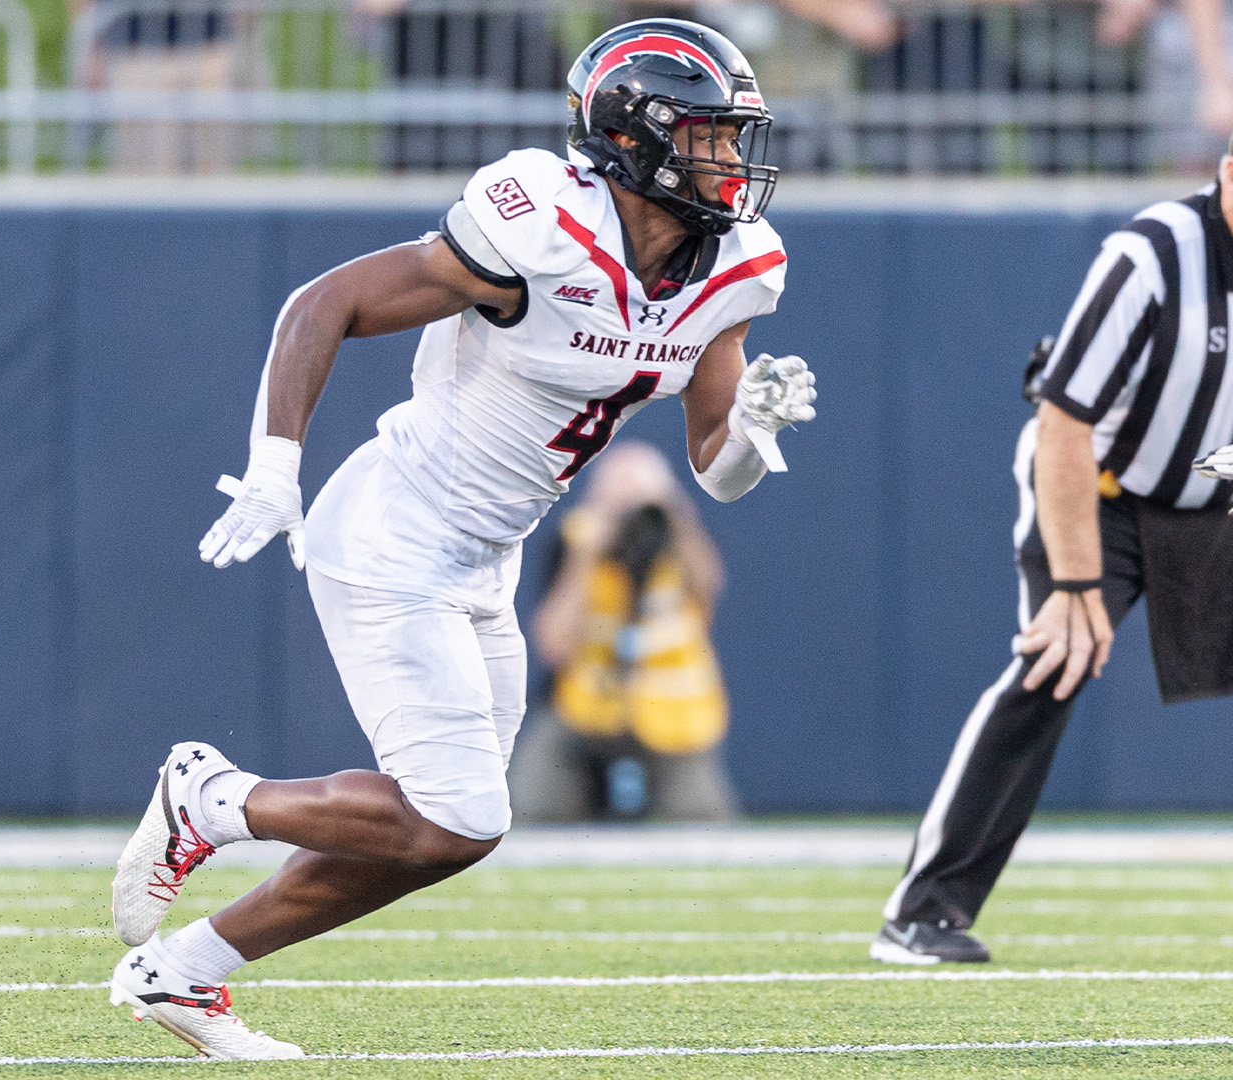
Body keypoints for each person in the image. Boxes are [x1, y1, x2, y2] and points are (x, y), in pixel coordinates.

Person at [100, 19, 815, 1059]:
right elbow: (326, 301)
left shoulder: (737, 264)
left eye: (731, 136)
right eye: (707, 135)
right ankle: (210, 798)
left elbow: (718, 466)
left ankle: (185, 973)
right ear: (634, 135)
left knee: (443, 838)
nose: (729, 161)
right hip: (398, 525)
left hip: (487, 555)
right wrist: (274, 466)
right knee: (463, 813)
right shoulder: (539, 226)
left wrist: (756, 429)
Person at [879, 95, 1233, 969]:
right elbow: (1064, 423)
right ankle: (925, 911)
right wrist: (1071, 585)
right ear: (1231, 176)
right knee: (1053, 659)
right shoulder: (1152, 254)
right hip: (1105, 487)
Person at [514, 440, 738, 822]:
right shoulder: (573, 546)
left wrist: (672, 511)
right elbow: (554, 645)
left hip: (673, 714)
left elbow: (710, 588)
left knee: (701, 816)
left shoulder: (680, 542)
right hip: (586, 711)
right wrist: (587, 550)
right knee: (532, 803)